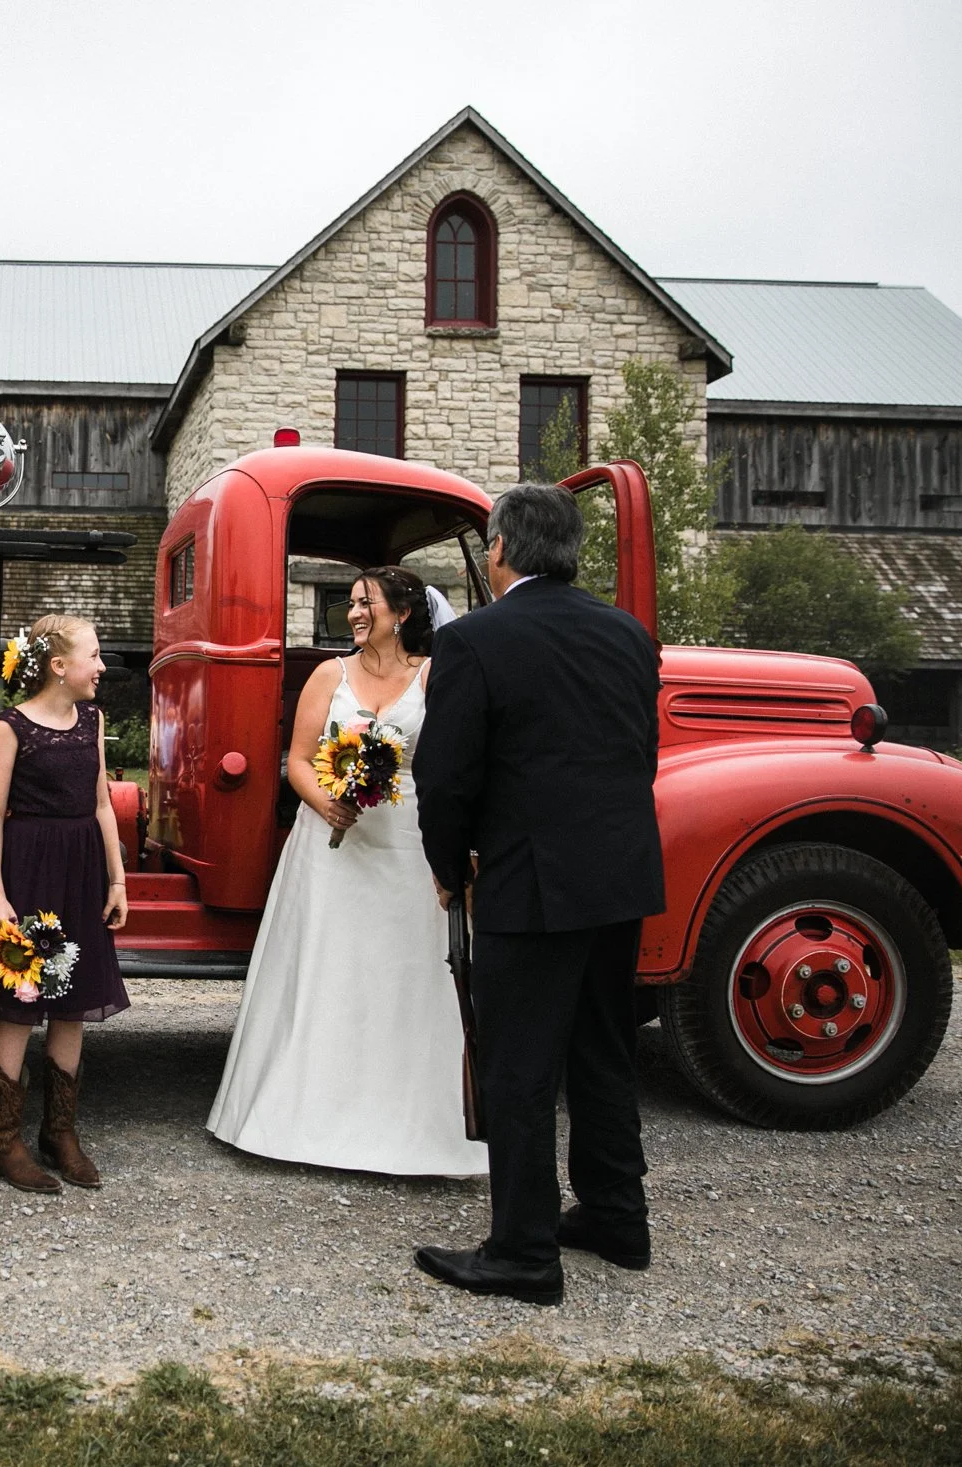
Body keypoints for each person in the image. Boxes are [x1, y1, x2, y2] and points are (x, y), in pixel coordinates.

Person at [411, 484, 664, 1306]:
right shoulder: (628, 634)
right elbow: (642, 754)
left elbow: (445, 775)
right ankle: (618, 1216)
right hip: (619, 876)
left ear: (498, 548)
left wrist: (449, 866)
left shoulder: (475, 639)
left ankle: (523, 1250)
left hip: (529, 879)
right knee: (603, 1051)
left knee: (517, 1067)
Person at [206, 566, 487, 1179]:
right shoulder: (328, 675)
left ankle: (414, 1127)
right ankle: (302, 1119)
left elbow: (449, 763)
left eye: (367, 603)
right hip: (330, 843)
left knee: (404, 974)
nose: (355, 613)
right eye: (351, 603)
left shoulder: (434, 677)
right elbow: (298, 761)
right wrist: (327, 802)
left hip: (407, 842)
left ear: (403, 614)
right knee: (328, 967)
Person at [0, 615, 130, 1193]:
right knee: (21, 1003)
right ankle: (1, 1139)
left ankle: (59, 1132)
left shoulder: (92, 718)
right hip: (30, 869)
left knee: (74, 1002)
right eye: (94, 655)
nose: (102, 666)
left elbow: (102, 804)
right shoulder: (10, 726)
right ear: (59, 666)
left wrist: (117, 881)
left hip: (82, 869)